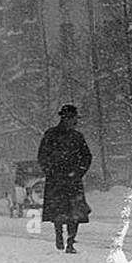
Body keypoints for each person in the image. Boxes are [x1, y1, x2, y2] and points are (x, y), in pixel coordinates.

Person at [37, 104, 93, 253]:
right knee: (62, 211)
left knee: (72, 213)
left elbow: (87, 157)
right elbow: (43, 157)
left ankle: (70, 242)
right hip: (60, 180)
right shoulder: (53, 135)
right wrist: (53, 172)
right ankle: (60, 236)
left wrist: (78, 172)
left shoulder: (76, 136)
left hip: (70, 180)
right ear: (66, 118)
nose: (75, 122)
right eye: (74, 118)